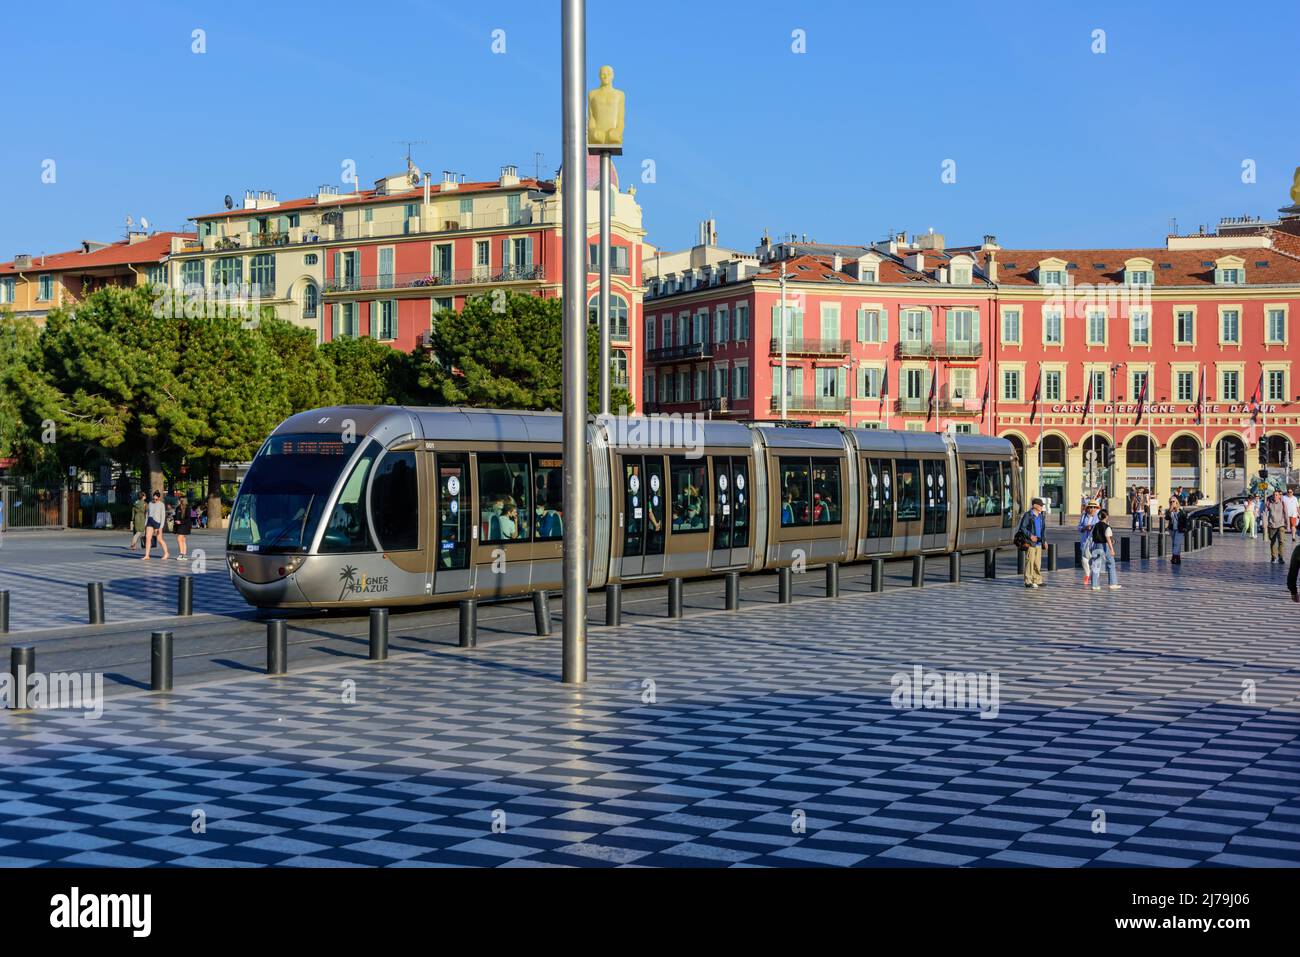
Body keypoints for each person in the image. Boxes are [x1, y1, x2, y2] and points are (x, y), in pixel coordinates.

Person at [1017, 497, 1046, 589]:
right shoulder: (1028, 515)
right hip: (1030, 543)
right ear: (1035, 506)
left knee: (1037, 563)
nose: (1042, 507)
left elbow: (1043, 530)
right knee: (1030, 562)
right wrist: (1030, 536)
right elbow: (1022, 528)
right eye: (1040, 505)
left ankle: (1037, 579)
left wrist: (1044, 541)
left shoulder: (1041, 516)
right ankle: (1028, 580)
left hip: (1038, 543)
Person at [1090, 508, 1120, 590]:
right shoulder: (1107, 527)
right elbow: (1108, 539)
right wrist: (1112, 549)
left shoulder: (1095, 525)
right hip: (1104, 546)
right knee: (1111, 563)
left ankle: (1094, 585)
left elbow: (1092, 536)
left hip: (1096, 545)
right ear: (1106, 516)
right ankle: (1112, 583)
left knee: (1096, 565)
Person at [141, 490, 170, 560]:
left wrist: (161, 527)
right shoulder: (150, 503)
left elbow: (163, 516)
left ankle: (166, 553)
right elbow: (147, 514)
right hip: (150, 521)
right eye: (153, 499)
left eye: (156, 499)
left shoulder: (161, 504)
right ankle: (147, 555)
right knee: (148, 537)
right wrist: (145, 524)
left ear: (159, 498)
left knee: (159, 539)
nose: (155, 500)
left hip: (157, 523)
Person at [1078, 500, 1100, 586]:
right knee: (1084, 559)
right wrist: (1085, 528)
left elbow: (1103, 526)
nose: (1092, 509)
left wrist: (1093, 527)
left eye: (1094, 507)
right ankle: (1087, 574)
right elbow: (1079, 527)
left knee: (1096, 560)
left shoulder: (1099, 516)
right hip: (1085, 541)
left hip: (1095, 541)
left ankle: (1095, 578)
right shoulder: (1084, 516)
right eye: (1090, 507)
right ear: (1088, 508)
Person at [1265, 491, 1287, 564]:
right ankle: (1273, 557)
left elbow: (1286, 514)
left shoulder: (1283, 503)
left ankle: (1281, 557)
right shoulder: (1269, 503)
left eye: (1276, 495)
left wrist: (1288, 524)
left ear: (1279, 496)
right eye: (1274, 495)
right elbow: (1264, 513)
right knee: (1273, 542)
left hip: (1281, 525)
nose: (1275, 496)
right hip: (1271, 525)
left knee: (1281, 541)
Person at [1167, 497, 1186, 565]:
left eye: (1173, 501)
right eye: (1170, 502)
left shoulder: (1181, 510)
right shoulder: (1169, 510)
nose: (1172, 503)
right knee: (1175, 544)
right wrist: (1170, 510)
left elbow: (1185, 519)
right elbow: (1166, 518)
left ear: (1176, 502)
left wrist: (1185, 528)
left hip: (1180, 529)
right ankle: (1178, 558)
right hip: (1172, 529)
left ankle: (1173, 557)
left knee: (1176, 543)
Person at [173, 495, 192, 561]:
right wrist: (173, 517)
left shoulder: (188, 508)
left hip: (185, 525)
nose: (178, 500)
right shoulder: (178, 507)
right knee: (183, 539)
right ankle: (184, 554)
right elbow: (176, 515)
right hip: (179, 525)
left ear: (182, 501)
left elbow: (188, 518)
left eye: (179, 499)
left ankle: (181, 554)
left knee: (179, 538)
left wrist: (180, 522)